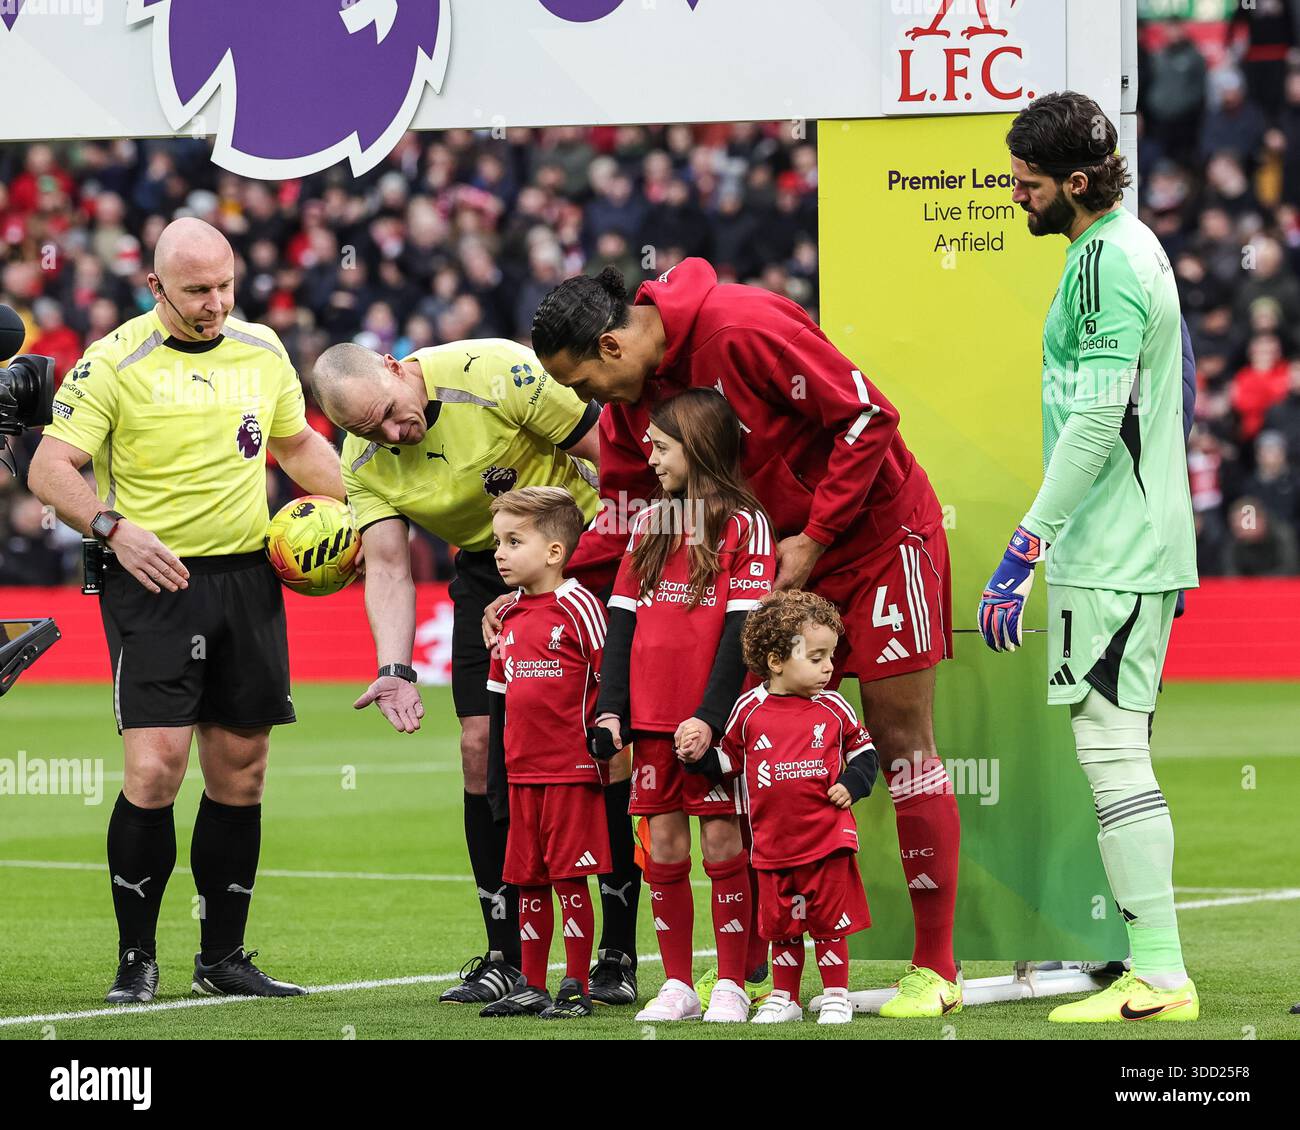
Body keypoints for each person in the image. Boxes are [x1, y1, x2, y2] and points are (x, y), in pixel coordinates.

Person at [519, 257, 963, 1018]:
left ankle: (936, 966)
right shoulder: (634, 405)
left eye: (584, 384)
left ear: (612, 348)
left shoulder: (744, 324)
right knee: (760, 747)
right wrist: (546, 587)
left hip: (879, 540)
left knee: (899, 742)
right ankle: (760, 959)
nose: (588, 402)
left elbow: (868, 417)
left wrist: (817, 538)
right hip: (772, 567)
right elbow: (631, 515)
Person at [28, 217, 347, 1003]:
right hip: (155, 579)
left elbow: (296, 444)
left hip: (248, 576)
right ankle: (137, 958)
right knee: (155, 767)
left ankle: (223, 957)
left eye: (224, 286)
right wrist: (112, 528)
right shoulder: (113, 361)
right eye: (196, 290)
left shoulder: (263, 348)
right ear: (156, 287)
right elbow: (48, 465)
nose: (213, 303)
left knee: (242, 774)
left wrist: (359, 509)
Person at [309, 338, 643, 1006]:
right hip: (488, 570)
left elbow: (607, 452)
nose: (391, 434)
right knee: (479, 747)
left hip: (582, 553)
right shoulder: (365, 457)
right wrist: (396, 668)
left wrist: (617, 552)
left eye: (391, 414)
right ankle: (504, 953)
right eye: (365, 430)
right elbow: (390, 566)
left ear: (396, 366)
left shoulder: (492, 371)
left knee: (603, 749)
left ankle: (616, 953)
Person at [979, 91, 1200, 1023]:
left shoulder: (1108, 262)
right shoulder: (1113, 248)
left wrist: (1025, 547)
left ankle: (1160, 974)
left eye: (1027, 184)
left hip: (1113, 551)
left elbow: (1098, 424)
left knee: (1114, 757)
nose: (1014, 195)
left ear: (1075, 183)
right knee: (1115, 754)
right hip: (1124, 544)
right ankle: (1155, 967)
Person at [591, 389, 775, 1023]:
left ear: (697, 448)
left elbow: (742, 630)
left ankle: (730, 980)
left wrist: (711, 716)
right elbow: (622, 620)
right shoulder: (649, 523)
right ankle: (677, 982)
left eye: (662, 445)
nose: (650, 454)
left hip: (711, 722)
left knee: (724, 842)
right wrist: (612, 707)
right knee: (662, 846)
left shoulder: (745, 524)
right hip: (649, 722)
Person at [702, 590, 879, 1026]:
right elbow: (728, 762)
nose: (828, 667)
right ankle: (785, 997)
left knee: (827, 922)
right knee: (782, 925)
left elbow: (865, 753)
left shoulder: (834, 707)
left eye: (831, 656)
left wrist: (851, 785)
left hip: (827, 839)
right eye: (816, 657)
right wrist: (695, 757)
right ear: (777, 661)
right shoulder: (747, 710)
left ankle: (837, 994)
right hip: (773, 846)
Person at [479, 487, 611, 1020]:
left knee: (567, 878)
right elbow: (501, 697)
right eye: (497, 542)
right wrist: (497, 770)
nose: (500, 553)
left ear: (555, 552)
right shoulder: (505, 615)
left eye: (514, 541)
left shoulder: (579, 607)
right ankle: (531, 984)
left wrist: (609, 737)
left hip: (572, 771)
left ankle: (576, 985)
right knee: (528, 879)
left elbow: (610, 678)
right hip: (522, 772)